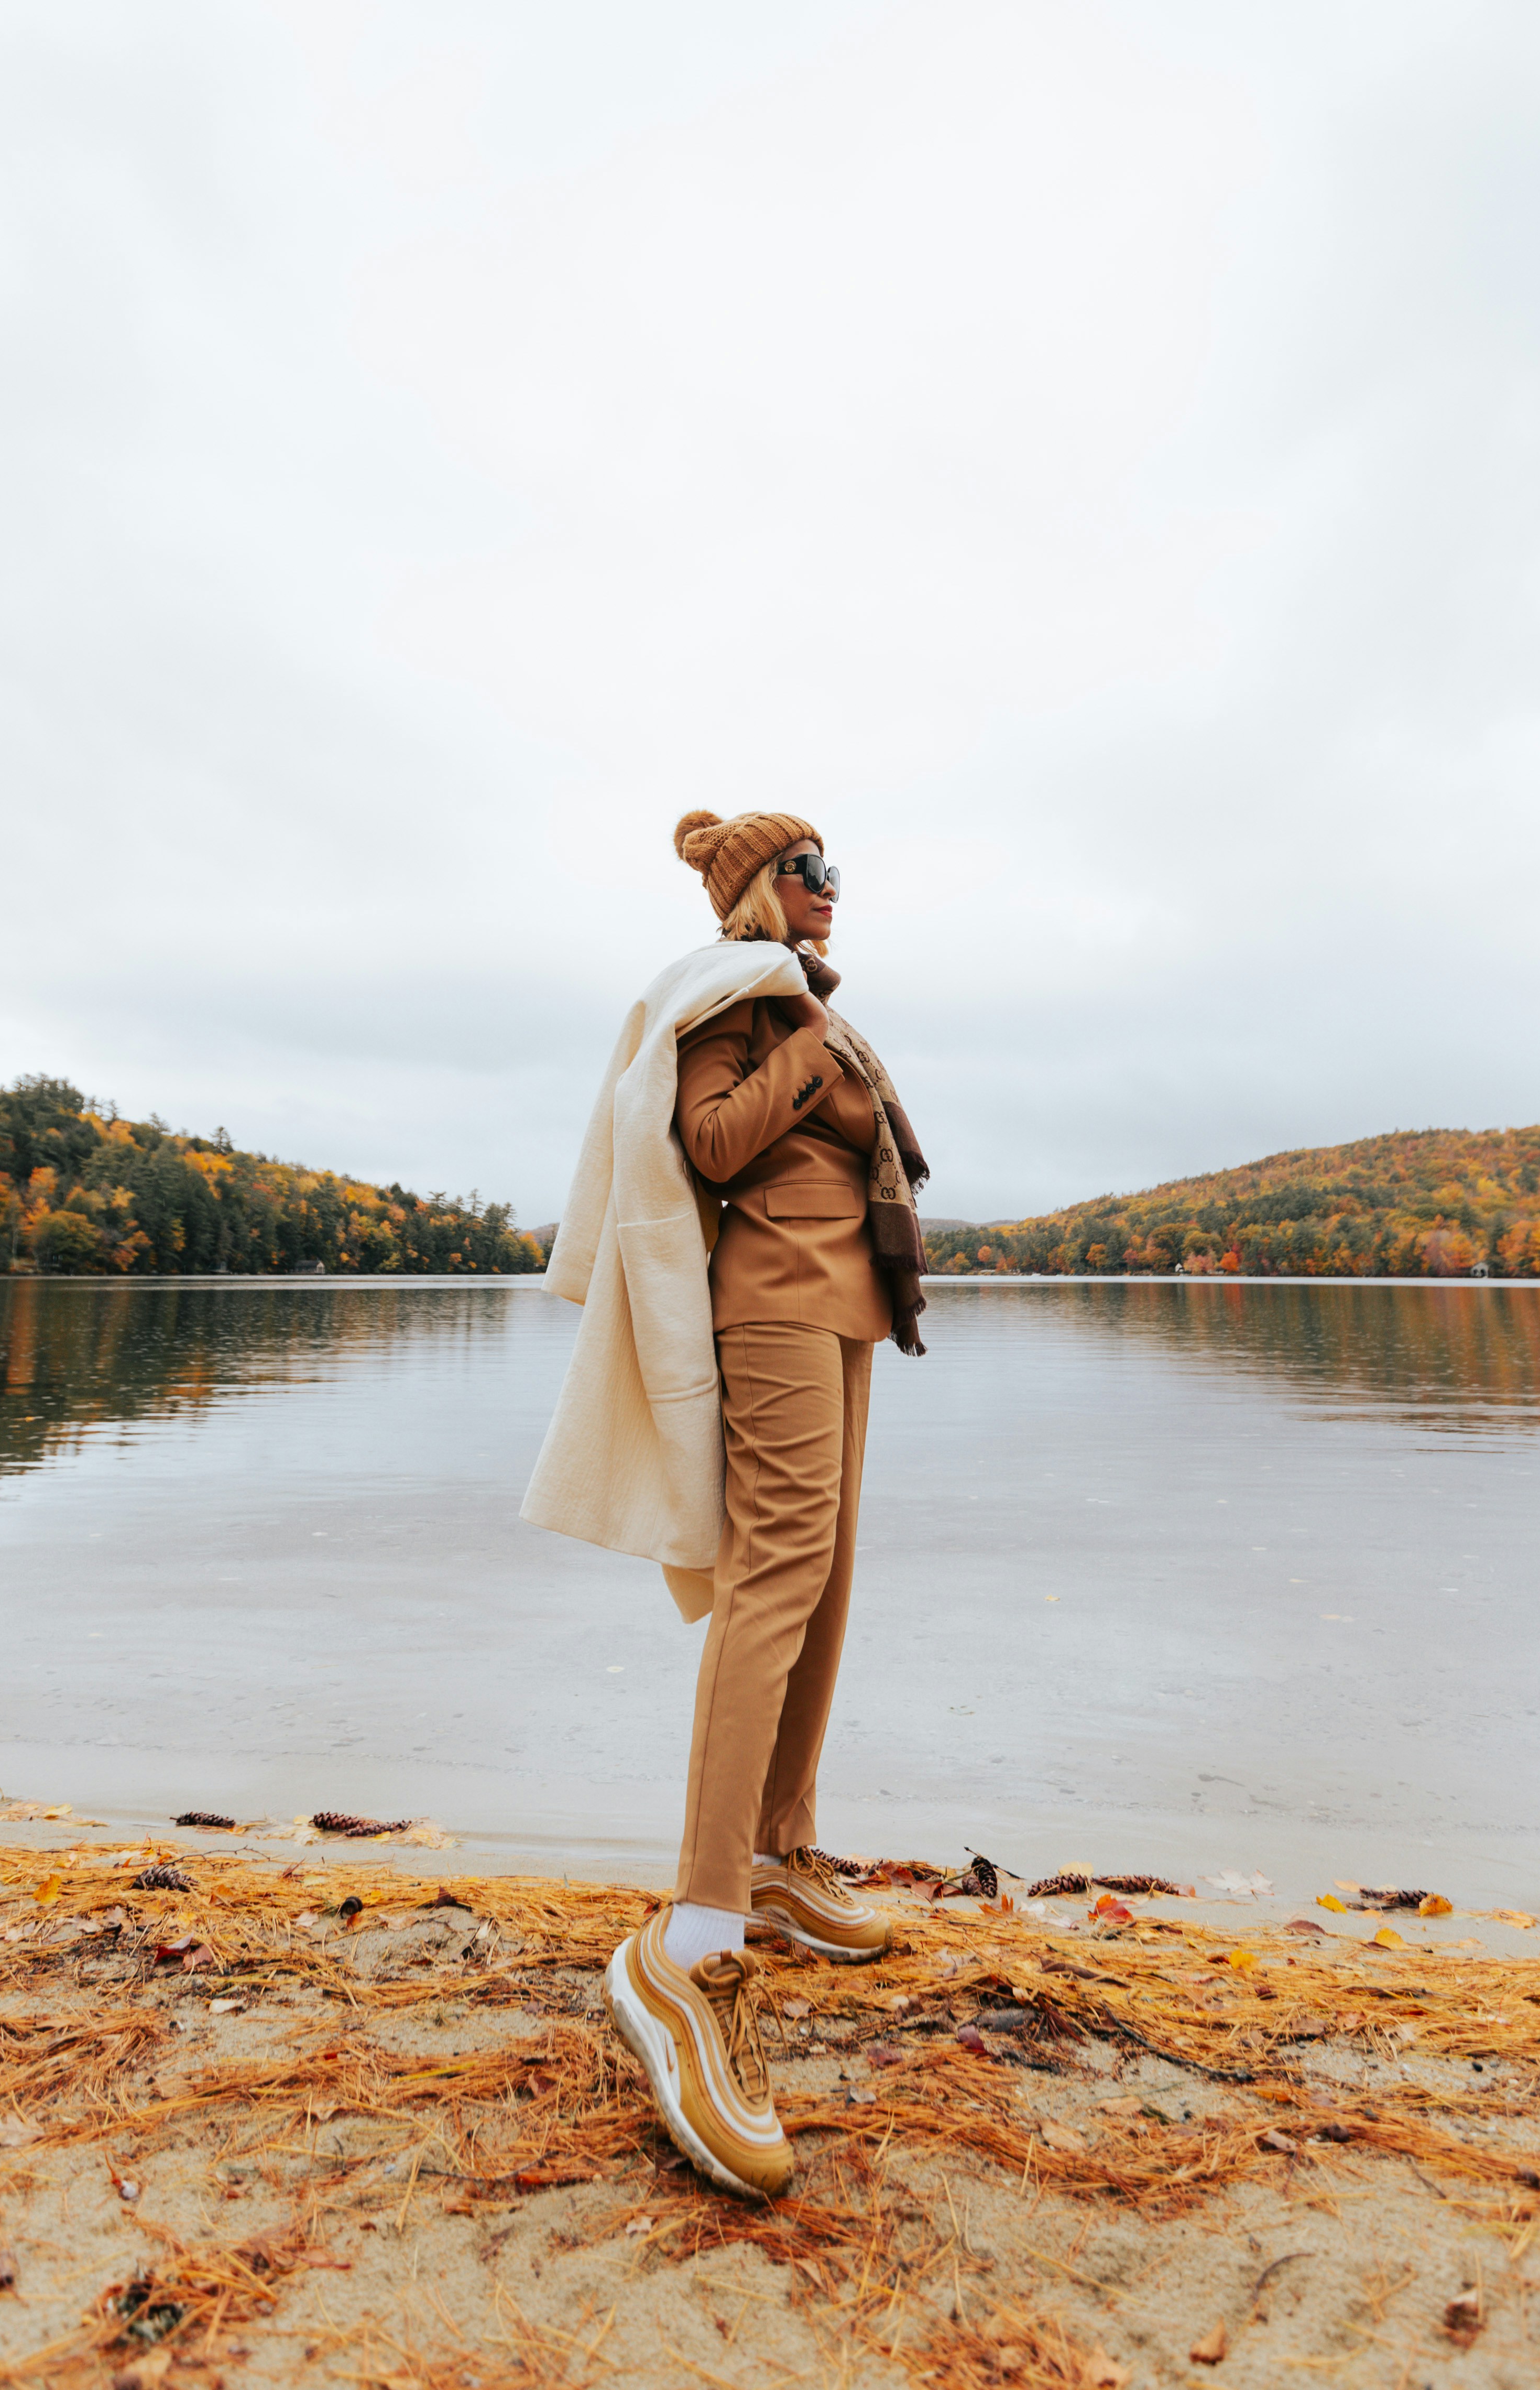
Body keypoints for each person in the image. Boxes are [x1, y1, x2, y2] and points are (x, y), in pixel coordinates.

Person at [538, 808, 929, 2200]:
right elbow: (704, 1144)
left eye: (837, 869)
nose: (835, 890)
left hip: (847, 1312)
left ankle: (780, 1852)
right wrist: (809, 1048)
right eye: (813, 871)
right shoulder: (741, 1000)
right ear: (760, 889)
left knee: (823, 1582)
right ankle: (696, 1927)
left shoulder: (803, 1006)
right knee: (773, 1582)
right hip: (766, 1308)